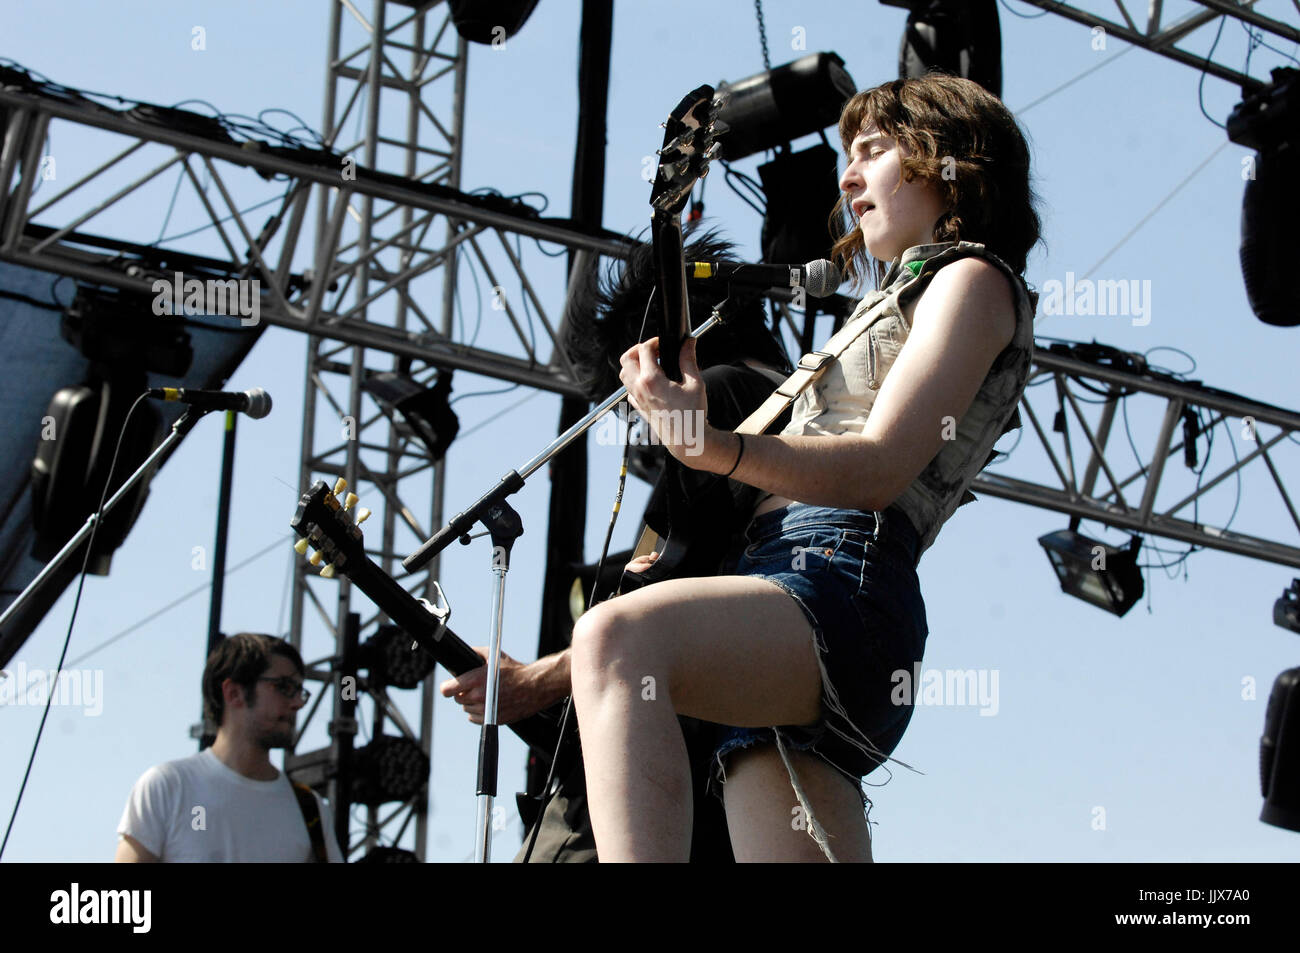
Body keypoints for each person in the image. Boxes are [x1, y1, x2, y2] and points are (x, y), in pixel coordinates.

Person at [442, 226, 799, 862]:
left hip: (668, 783)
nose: (637, 414)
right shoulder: (784, 396)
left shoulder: (719, 396)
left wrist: (535, 681)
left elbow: (660, 602)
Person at [115, 633, 343, 862]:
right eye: (283, 687)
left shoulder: (310, 809)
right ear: (233, 693)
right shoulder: (167, 787)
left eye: (299, 691)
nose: (297, 703)